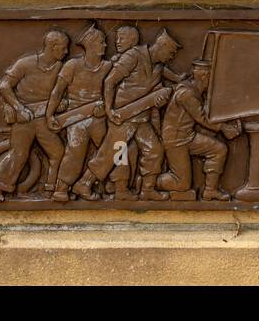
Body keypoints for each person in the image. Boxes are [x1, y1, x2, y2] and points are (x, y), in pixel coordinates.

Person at [74, 28, 181, 201]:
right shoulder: (133, 56)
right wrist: (109, 110)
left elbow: (174, 79)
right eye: (170, 52)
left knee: (154, 150)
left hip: (141, 117)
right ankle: (85, 184)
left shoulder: (159, 66)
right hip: (123, 116)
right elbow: (110, 81)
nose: (171, 57)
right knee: (113, 153)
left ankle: (146, 190)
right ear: (161, 46)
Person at [0, 30, 69, 202]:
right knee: (19, 154)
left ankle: (51, 189)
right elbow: (4, 86)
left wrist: (61, 104)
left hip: (43, 117)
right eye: (63, 48)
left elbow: (61, 92)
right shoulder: (26, 63)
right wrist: (19, 108)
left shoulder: (60, 68)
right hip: (24, 117)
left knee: (58, 152)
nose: (66, 52)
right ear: (53, 47)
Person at [158, 59, 241, 201]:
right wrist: (224, 128)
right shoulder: (187, 94)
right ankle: (148, 182)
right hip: (176, 141)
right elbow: (201, 117)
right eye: (212, 78)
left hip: (188, 136)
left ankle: (210, 190)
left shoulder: (196, 92)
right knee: (181, 184)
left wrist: (228, 123)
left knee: (218, 149)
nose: (213, 82)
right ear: (204, 77)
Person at [46, 24, 111, 202]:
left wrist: (105, 108)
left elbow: (115, 93)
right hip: (76, 118)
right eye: (101, 42)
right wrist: (49, 114)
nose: (105, 46)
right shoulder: (72, 65)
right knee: (75, 151)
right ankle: (62, 188)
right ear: (90, 45)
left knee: (110, 149)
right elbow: (57, 92)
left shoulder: (108, 67)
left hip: (99, 118)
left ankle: (93, 183)